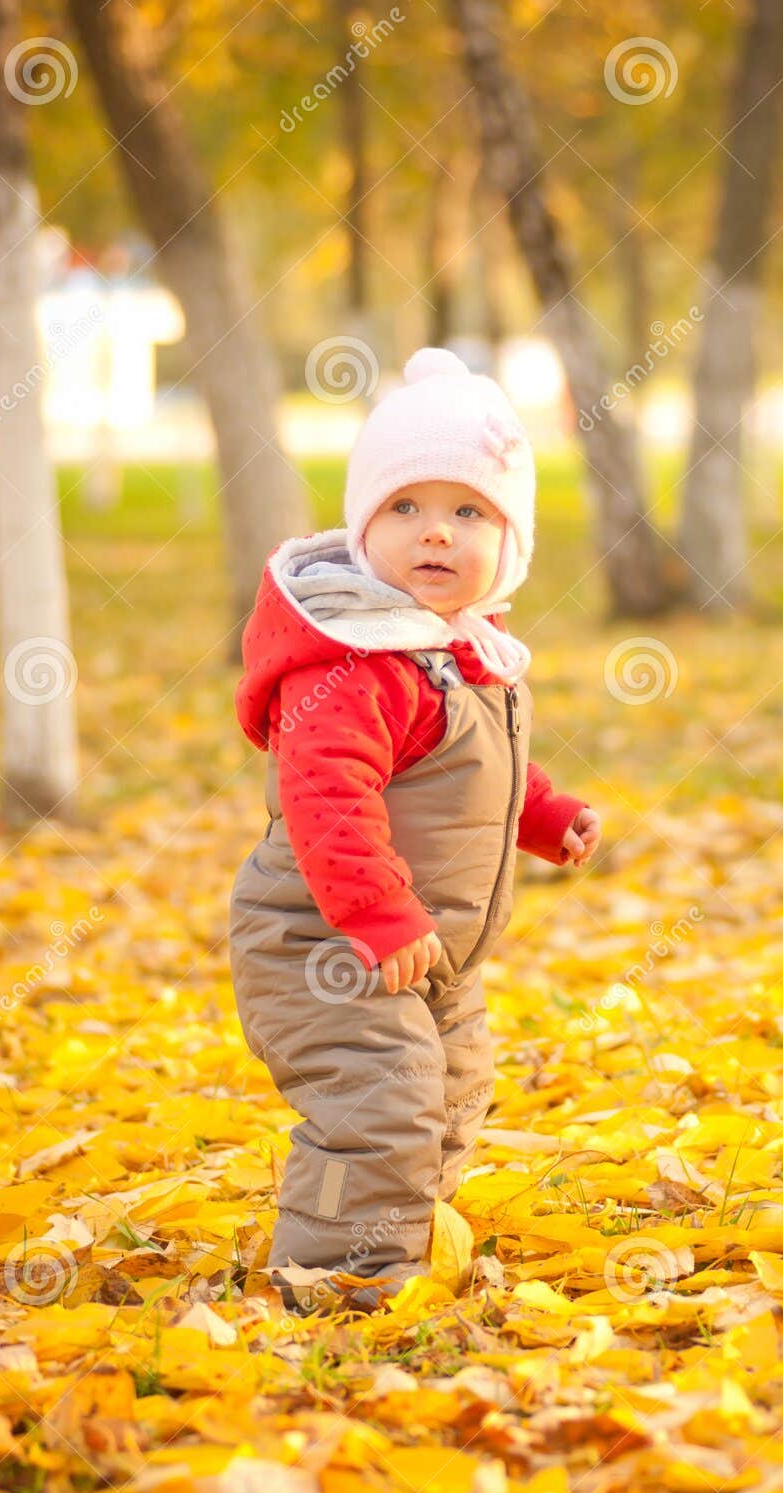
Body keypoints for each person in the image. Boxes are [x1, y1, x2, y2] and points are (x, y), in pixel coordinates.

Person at [229, 346, 602, 1313]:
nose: (434, 533)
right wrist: (378, 916)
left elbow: (478, 769)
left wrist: (548, 815)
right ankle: (340, 1280)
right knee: (381, 1098)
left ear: (508, 542)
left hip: (430, 947)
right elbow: (327, 794)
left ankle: (397, 1236)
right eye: (404, 509)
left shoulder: (464, 654)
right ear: (364, 530)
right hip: (326, 937)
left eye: (467, 511)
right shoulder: (356, 662)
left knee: (455, 1089)